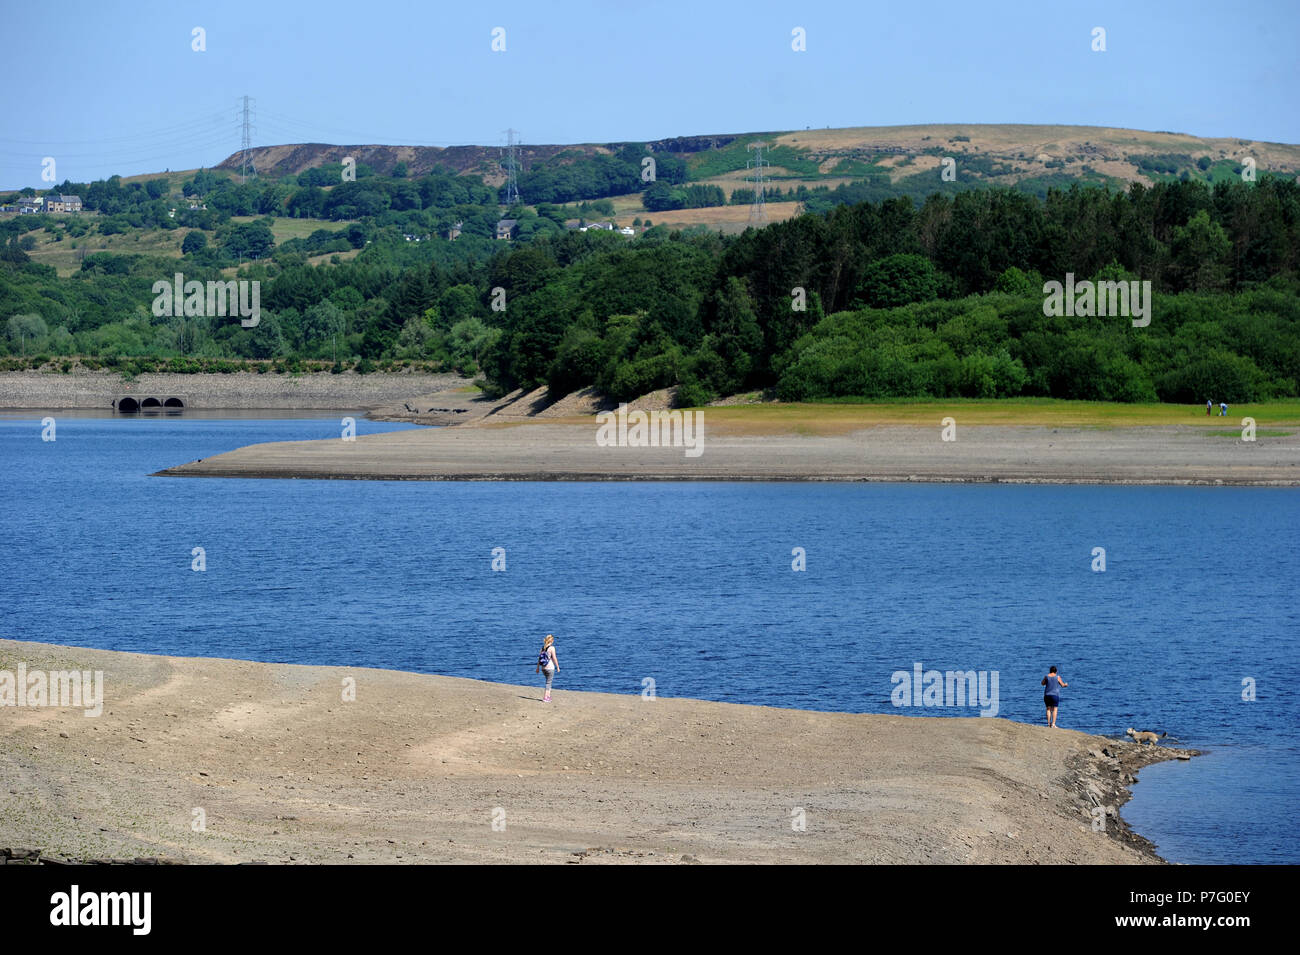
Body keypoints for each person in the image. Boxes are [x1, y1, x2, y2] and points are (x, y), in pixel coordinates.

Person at [536, 633, 559, 703]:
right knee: (548, 683)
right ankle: (546, 697)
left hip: (543, 668)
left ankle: (548, 696)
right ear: (551, 641)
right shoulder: (552, 648)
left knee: (548, 681)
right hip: (550, 668)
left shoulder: (543, 648)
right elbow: (554, 658)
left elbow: (539, 659)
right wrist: (557, 666)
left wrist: (537, 668)